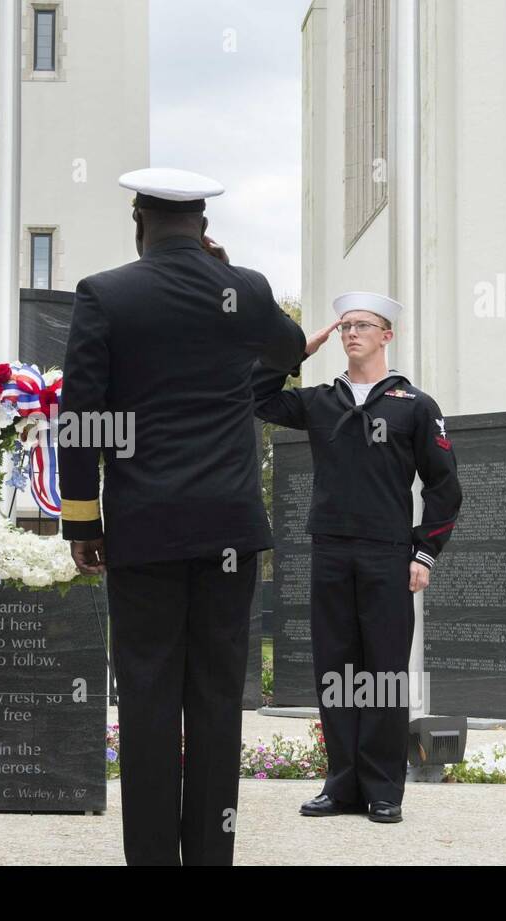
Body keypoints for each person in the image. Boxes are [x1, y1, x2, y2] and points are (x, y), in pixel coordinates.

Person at [59, 167, 308, 865]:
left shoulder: (105, 294)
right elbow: (289, 351)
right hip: (228, 527)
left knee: (146, 702)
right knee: (217, 702)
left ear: (139, 222)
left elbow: (79, 417)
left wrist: (83, 522)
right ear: (203, 226)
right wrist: (229, 280)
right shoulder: (245, 290)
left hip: (144, 530)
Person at [252, 291, 462, 823]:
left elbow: (444, 487)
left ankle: (384, 788)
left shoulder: (415, 405)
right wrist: (298, 350)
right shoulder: (321, 401)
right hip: (330, 554)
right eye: (344, 326)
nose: (350, 334)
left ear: (387, 335)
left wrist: (425, 550)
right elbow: (255, 395)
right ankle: (342, 785)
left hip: (388, 556)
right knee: (337, 672)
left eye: (362, 326)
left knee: (385, 673)